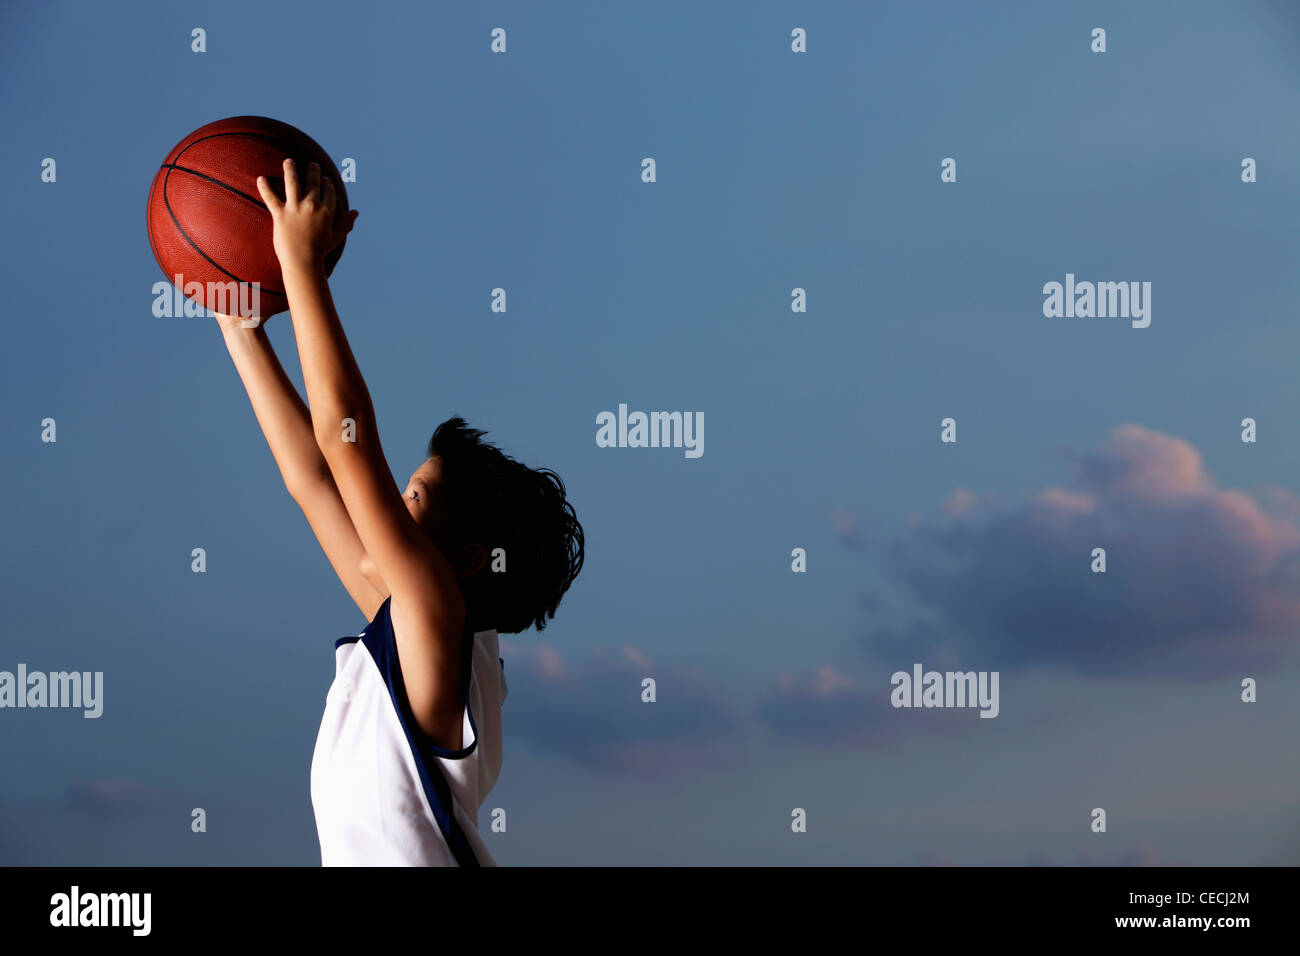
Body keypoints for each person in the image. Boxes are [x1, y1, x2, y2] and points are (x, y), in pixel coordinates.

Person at [213, 158, 584, 865]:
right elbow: (315, 479)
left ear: (467, 558)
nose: (390, 503)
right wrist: (243, 327)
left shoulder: (438, 616)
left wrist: (302, 265)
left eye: (414, 497)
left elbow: (344, 438)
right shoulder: (431, 636)